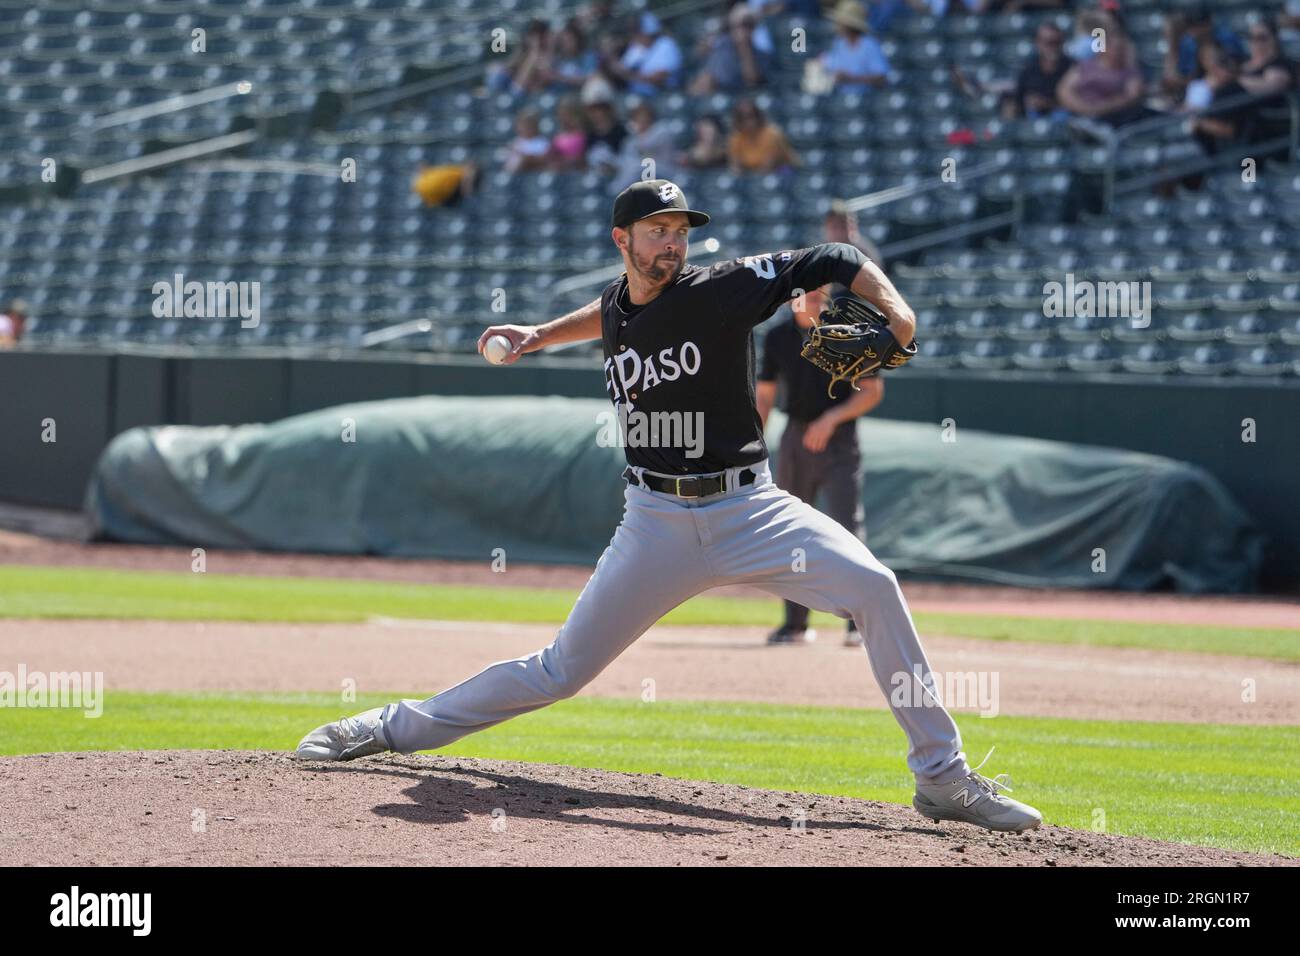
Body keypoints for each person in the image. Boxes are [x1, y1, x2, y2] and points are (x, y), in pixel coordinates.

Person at [296, 178, 1045, 836]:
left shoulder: (720, 289)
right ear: (622, 239)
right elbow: (612, 311)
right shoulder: (623, 303)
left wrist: (896, 309)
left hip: (752, 510)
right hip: (653, 522)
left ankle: (941, 776)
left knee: (875, 588)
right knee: (558, 671)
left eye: (681, 232)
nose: (672, 245)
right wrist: (539, 335)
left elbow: (833, 260)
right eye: (658, 231)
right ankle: (389, 727)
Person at [756, 284, 884, 647]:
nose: (813, 297)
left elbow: (872, 391)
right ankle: (795, 624)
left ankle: (858, 624)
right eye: (805, 291)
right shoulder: (779, 336)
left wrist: (831, 419)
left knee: (847, 531)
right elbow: (765, 394)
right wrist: (753, 442)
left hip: (840, 440)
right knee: (792, 531)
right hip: (797, 438)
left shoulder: (846, 331)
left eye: (819, 291)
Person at [689, 4, 771, 94]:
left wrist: (744, 46)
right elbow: (699, 56)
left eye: (747, 24)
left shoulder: (762, 54)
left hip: (739, 96)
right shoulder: (722, 44)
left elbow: (752, 82)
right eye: (737, 25)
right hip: (714, 93)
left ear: (754, 27)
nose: (742, 29)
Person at [1002, 21, 1073, 120]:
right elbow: (1018, 96)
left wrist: (1047, 104)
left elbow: (1080, 103)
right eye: (1048, 43)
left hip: (1064, 121)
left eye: (1057, 42)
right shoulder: (1029, 68)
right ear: (1038, 43)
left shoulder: (1073, 68)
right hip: (1032, 121)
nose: (1053, 47)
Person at [819, 0, 892, 93]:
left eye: (839, 22)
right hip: (840, 100)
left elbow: (881, 79)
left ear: (849, 25)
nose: (836, 26)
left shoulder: (870, 45)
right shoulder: (838, 44)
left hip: (866, 100)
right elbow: (830, 65)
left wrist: (852, 79)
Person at [606, 12, 683, 97]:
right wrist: (611, 56)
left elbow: (658, 79)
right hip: (635, 95)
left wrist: (627, 74)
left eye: (637, 30)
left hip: (662, 95)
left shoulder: (666, 44)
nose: (634, 34)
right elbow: (620, 69)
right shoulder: (636, 47)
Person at [613, 100, 678, 188]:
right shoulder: (631, 140)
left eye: (644, 115)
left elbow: (645, 146)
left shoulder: (661, 130)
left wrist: (636, 134)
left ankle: (616, 191)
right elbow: (625, 161)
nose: (641, 119)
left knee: (638, 166)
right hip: (643, 176)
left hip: (665, 170)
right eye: (637, 116)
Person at [727, 98, 800, 173]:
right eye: (742, 119)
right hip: (752, 172)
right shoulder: (736, 138)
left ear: (758, 117)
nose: (748, 123)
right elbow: (735, 166)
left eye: (751, 117)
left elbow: (768, 166)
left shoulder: (771, 134)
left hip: (781, 169)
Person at [502, 109, 550, 175]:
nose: (524, 128)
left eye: (528, 124)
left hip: (532, 175)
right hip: (514, 176)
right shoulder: (516, 142)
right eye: (523, 124)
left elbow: (543, 161)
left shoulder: (543, 142)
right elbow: (508, 165)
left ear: (535, 125)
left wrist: (527, 159)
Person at [548, 96, 589, 170]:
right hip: (561, 171)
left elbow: (583, 157)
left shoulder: (583, 133)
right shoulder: (557, 136)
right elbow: (551, 157)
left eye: (566, 115)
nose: (563, 118)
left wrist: (566, 161)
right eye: (561, 115)